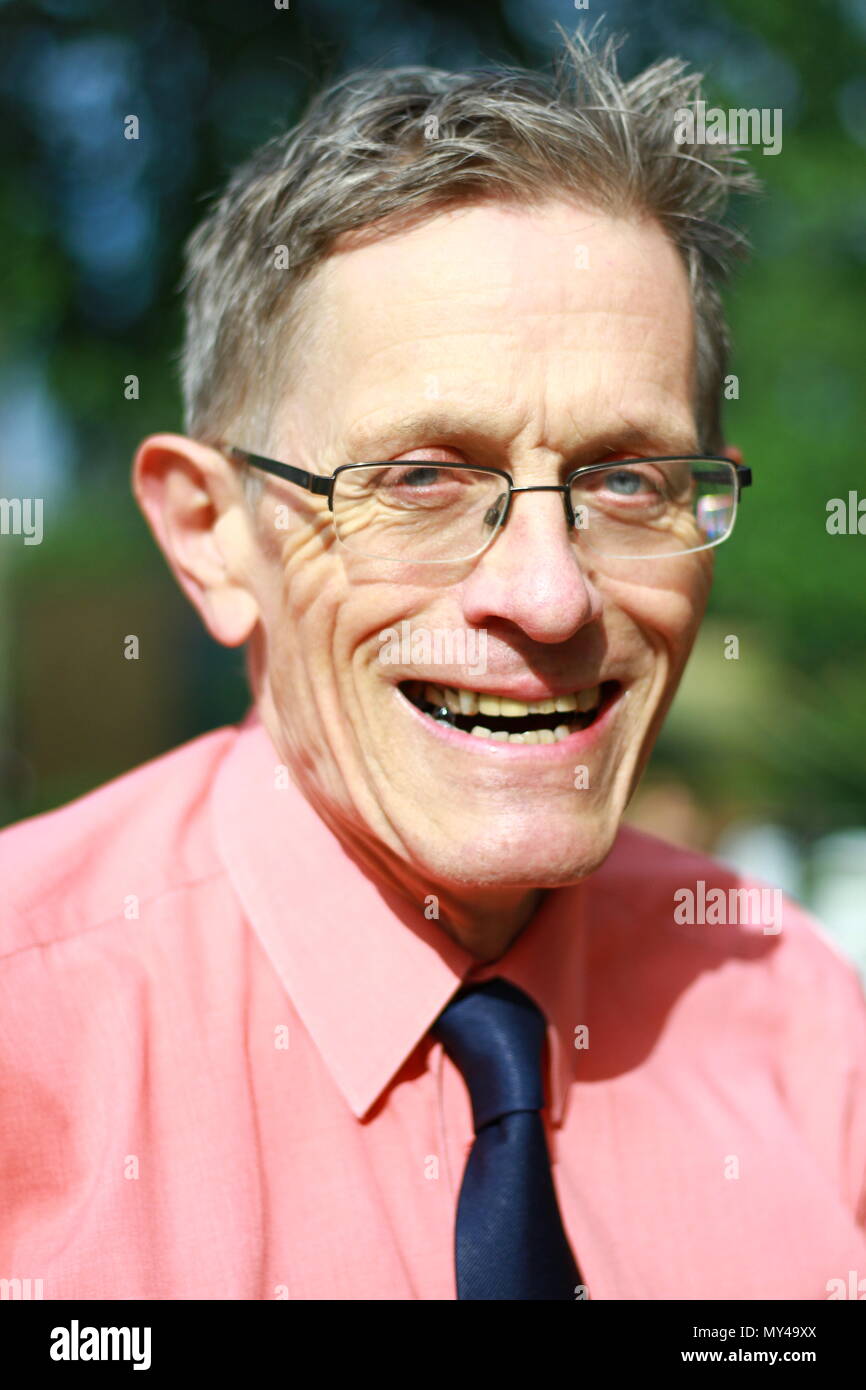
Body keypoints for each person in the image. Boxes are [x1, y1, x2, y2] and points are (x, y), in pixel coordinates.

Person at [2, 32, 864, 1302]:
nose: (546, 593)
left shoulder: (796, 1022)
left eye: (625, 480)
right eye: (419, 479)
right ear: (213, 536)